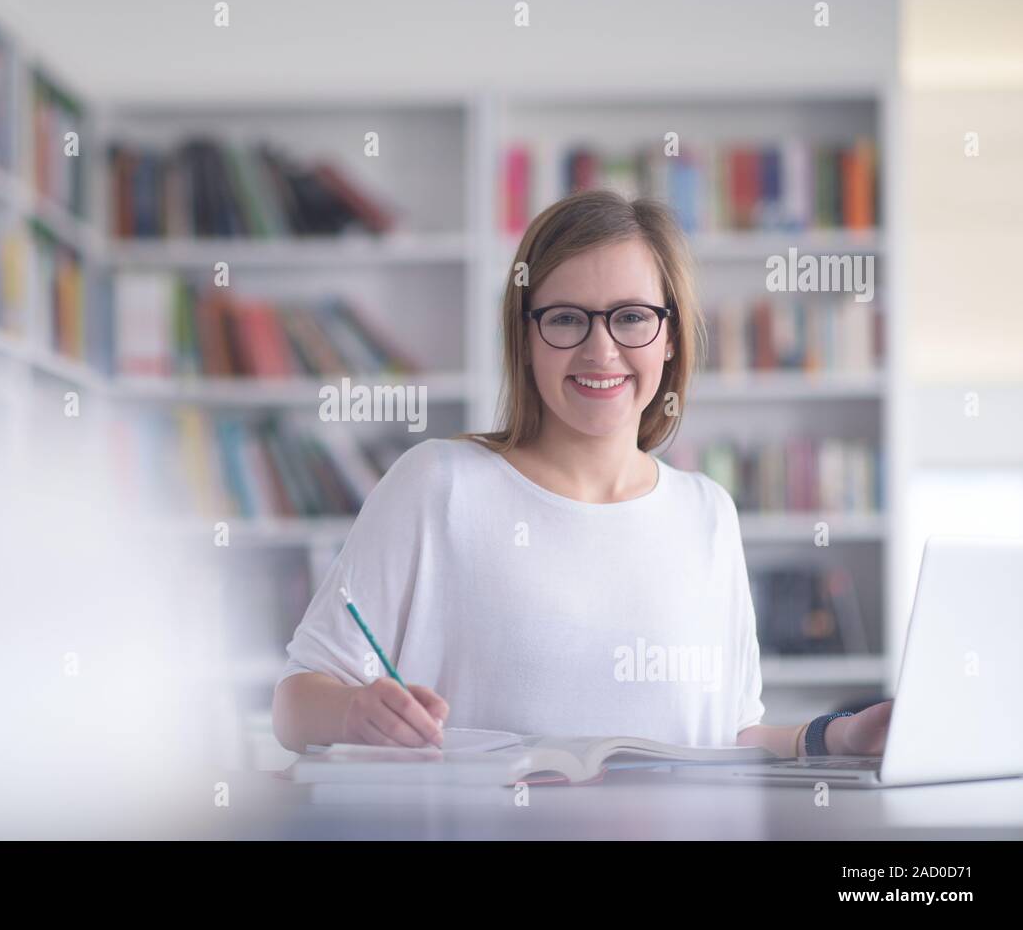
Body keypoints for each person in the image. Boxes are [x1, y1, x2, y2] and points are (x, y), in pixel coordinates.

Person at [272, 189, 892, 758]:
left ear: (669, 336)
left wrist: (836, 735)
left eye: (631, 317)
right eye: (567, 318)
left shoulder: (708, 512)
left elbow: (724, 737)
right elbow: (293, 705)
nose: (601, 350)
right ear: (527, 337)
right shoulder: (438, 484)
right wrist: (355, 711)